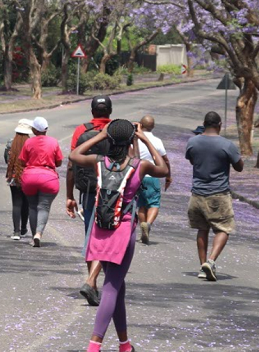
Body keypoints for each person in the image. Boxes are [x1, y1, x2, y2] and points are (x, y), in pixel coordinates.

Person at [72, 119, 168, 352]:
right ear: (130, 142)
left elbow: (74, 155)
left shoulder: (99, 163)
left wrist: (101, 136)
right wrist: (144, 138)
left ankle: (124, 344)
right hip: (123, 231)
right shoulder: (139, 166)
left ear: (110, 139)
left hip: (100, 228)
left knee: (118, 287)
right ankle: (94, 346)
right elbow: (163, 169)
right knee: (111, 288)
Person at [185, 111, 243, 281]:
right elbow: (239, 167)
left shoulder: (192, 142)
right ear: (219, 125)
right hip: (218, 194)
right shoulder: (227, 145)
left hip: (197, 194)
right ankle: (210, 261)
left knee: (202, 229)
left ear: (204, 124)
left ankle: (203, 266)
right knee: (224, 228)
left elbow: (192, 160)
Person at [66, 96, 113, 306]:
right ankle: (98, 282)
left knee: (91, 236)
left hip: (88, 191)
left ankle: (92, 284)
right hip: (113, 192)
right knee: (109, 238)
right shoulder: (118, 129)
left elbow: (71, 165)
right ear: (110, 110)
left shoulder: (80, 131)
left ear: (92, 111)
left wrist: (69, 196)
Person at [19, 116, 64, 247]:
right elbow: (59, 162)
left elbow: (22, 161)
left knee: (32, 206)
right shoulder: (54, 142)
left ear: (34, 130)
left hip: (30, 177)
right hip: (49, 178)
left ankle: (34, 237)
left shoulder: (28, 142)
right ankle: (39, 233)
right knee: (43, 207)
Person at [135, 115, 171, 245]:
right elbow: (165, 159)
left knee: (141, 205)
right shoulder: (157, 141)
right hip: (153, 176)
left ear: (140, 124)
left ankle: (143, 230)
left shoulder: (135, 139)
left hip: (138, 177)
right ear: (153, 127)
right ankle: (148, 224)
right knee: (154, 203)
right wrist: (168, 176)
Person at [5, 119, 34, 240]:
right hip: (28, 176)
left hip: (14, 176)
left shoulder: (11, 142)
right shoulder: (31, 142)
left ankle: (16, 231)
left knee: (16, 204)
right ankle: (23, 228)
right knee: (26, 203)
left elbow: (7, 159)